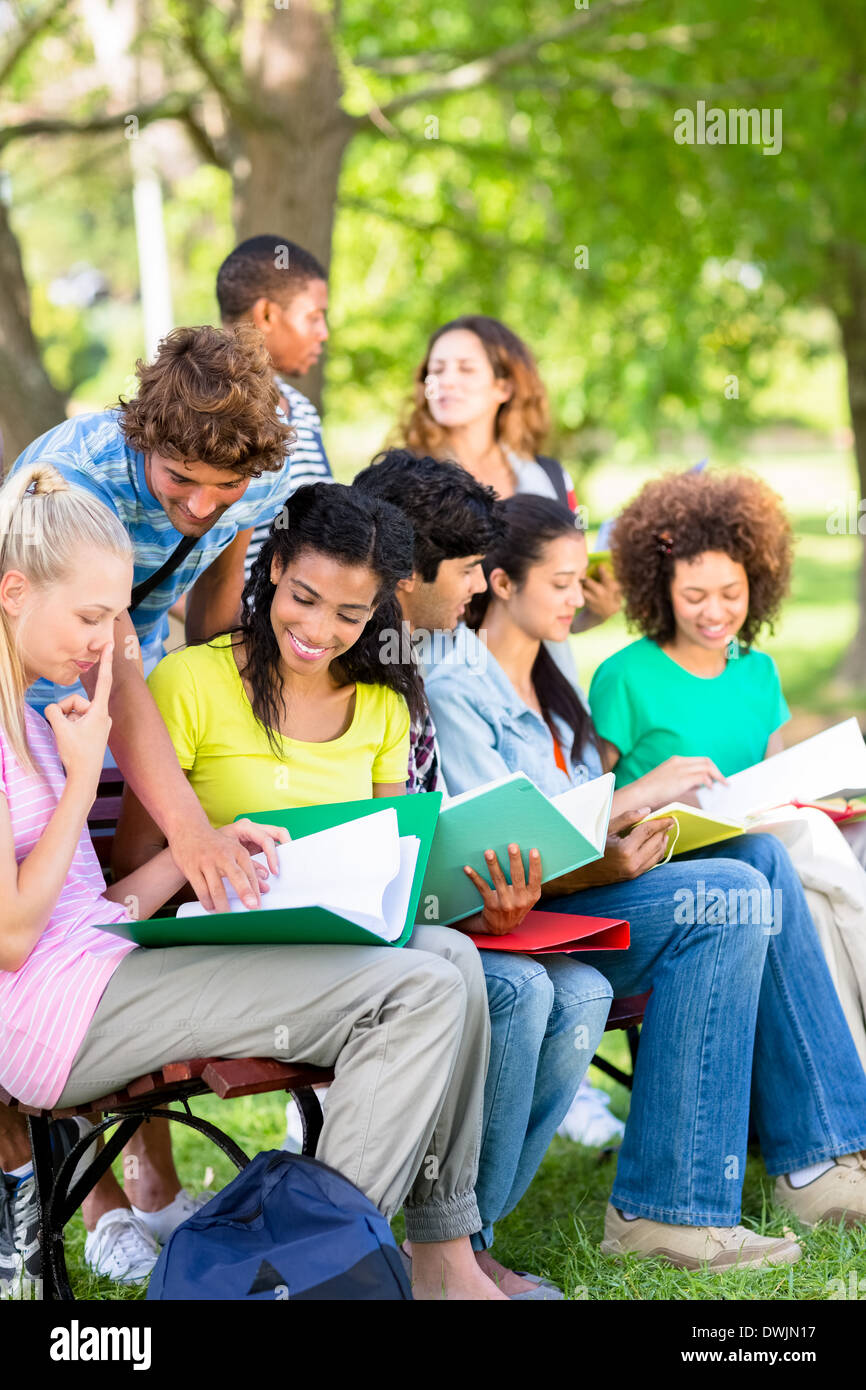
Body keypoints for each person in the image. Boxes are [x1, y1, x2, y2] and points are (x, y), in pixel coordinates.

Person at [0, 464, 508, 1301]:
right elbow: (15, 936)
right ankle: (309, 1281)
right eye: (92, 618)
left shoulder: (29, 716)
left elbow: (92, 909)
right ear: (15, 592)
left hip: (103, 970)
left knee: (448, 960)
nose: (105, 645)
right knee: (417, 990)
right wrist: (85, 780)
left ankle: (427, 1259)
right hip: (58, 1022)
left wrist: (201, 849)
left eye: (115, 617)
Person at [424, 491, 866, 1269]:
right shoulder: (461, 685)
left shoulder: (551, 677)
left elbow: (580, 817)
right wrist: (638, 798)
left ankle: (821, 1157)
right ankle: (668, 1212)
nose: (580, 598)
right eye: (561, 583)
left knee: (758, 860)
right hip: (525, 922)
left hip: (584, 896)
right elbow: (503, 852)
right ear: (501, 584)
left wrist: (629, 832)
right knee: (729, 896)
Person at [354, 451, 616, 1294]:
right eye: (469, 569)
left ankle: (470, 1237)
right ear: (411, 567)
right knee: (519, 990)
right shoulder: (369, 660)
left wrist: (478, 897)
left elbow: (429, 828)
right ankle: (446, 1250)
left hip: (430, 908)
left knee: (580, 991)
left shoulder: (427, 654)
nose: (478, 587)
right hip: (365, 924)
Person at [11, 323, 298, 915]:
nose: (200, 506)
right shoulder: (79, 479)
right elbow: (108, 664)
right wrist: (191, 832)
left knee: (103, 888)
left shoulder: (259, 479)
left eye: (227, 487)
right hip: (34, 689)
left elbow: (215, 602)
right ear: (145, 439)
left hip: (122, 692)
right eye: (181, 478)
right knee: (41, 894)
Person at [589, 468, 866, 1064]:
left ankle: (851, 1084)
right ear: (659, 590)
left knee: (818, 898)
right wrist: (658, 791)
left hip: (765, 853)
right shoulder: (626, 676)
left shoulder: (755, 669)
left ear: (757, 584)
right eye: (694, 597)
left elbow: (780, 778)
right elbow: (590, 810)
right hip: (678, 864)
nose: (715, 613)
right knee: (816, 850)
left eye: (731, 595)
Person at [399, 313, 621, 638]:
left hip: (532, 683)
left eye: (466, 368)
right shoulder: (403, 479)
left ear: (503, 386)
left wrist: (592, 614)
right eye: (437, 369)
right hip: (435, 679)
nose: (446, 381)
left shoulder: (553, 480)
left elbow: (552, 610)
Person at [216, 235, 333, 583]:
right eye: (313, 317)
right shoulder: (203, 412)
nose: (323, 333)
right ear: (266, 314)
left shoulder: (302, 410)